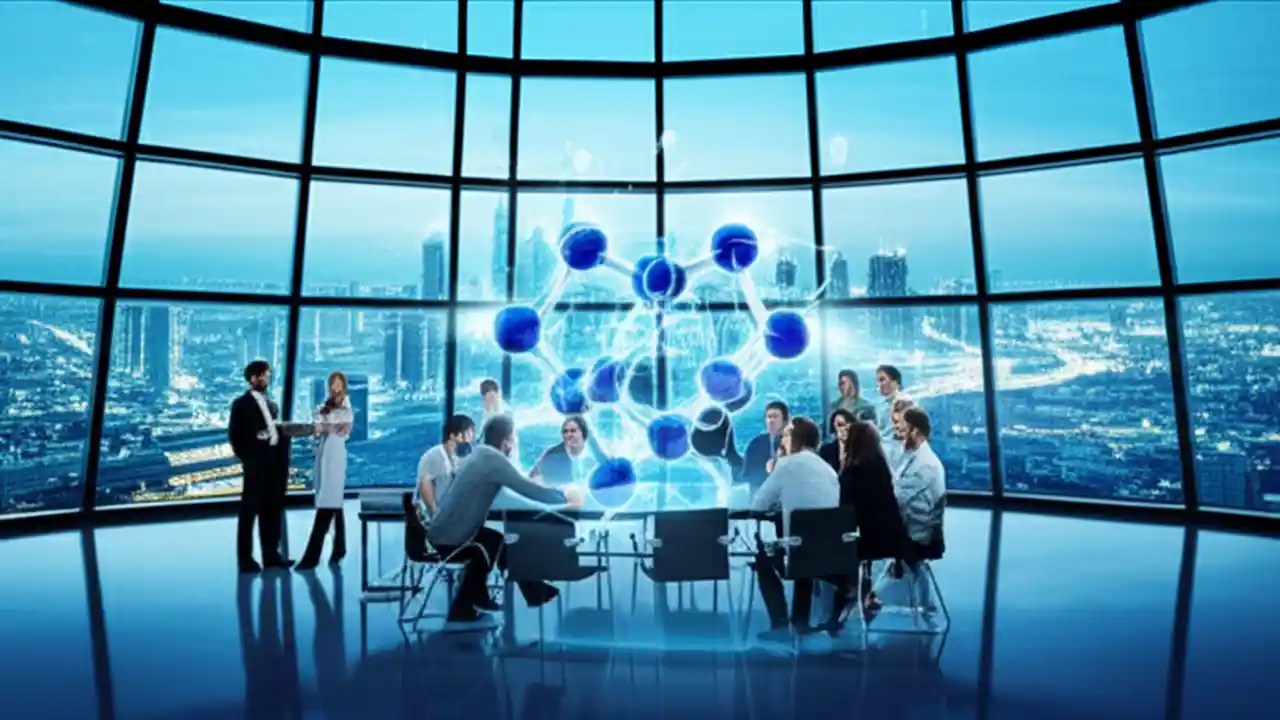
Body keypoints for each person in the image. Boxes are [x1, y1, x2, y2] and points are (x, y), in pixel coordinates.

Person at [428, 415, 584, 625]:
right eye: (514, 438)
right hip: (451, 537)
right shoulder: (493, 460)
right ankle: (464, 609)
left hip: (442, 529)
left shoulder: (480, 454)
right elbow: (526, 489)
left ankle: (524, 591)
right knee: (491, 545)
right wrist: (563, 496)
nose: (516, 443)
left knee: (496, 541)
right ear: (506, 441)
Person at [750, 417, 847, 634]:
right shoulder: (829, 471)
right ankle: (800, 622)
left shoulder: (786, 465)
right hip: (831, 557)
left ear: (795, 438)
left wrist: (778, 468)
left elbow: (758, 505)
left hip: (798, 555)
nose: (781, 441)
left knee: (763, 559)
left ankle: (780, 624)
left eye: (785, 436)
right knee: (802, 546)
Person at [838, 421, 911, 613]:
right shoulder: (882, 469)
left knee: (835, 547)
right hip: (895, 540)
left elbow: (845, 510)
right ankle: (865, 597)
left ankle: (844, 606)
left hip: (871, 543)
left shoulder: (853, 472)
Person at [228, 360, 293, 573]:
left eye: (268, 374)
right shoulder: (241, 404)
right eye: (264, 375)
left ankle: (271, 554)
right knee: (249, 511)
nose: (267, 379)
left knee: (271, 509)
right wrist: (249, 458)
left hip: (274, 463)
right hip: (255, 464)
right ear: (253, 378)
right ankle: (245, 559)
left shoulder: (271, 404)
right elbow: (235, 437)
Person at [297, 372, 353, 570]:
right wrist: (325, 425)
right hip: (324, 452)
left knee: (328, 502)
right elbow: (321, 427)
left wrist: (326, 424)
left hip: (336, 455)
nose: (336, 387)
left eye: (339, 383)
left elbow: (341, 429)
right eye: (333, 384)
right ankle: (339, 548)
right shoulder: (326, 405)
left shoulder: (346, 405)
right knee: (333, 502)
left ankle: (311, 557)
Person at [896, 408, 946, 554]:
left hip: (917, 537)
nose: (901, 436)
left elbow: (897, 498)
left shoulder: (925, 465)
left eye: (904, 431)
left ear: (916, 432)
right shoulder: (912, 456)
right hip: (910, 529)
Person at [415, 414, 476, 520]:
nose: (472, 437)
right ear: (453, 436)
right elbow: (425, 484)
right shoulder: (433, 456)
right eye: (469, 432)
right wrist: (435, 515)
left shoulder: (462, 457)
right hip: (430, 517)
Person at [531, 416, 596, 486]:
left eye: (573, 431)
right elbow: (534, 478)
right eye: (565, 431)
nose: (569, 434)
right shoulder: (552, 455)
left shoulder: (592, 454)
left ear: (583, 433)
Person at [741, 400, 789, 490]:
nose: (771, 420)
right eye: (768, 417)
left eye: (775, 416)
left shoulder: (794, 442)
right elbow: (749, 475)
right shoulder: (756, 444)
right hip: (761, 490)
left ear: (785, 421)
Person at [818, 408, 856, 474]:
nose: (845, 428)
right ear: (833, 428)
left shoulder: (862, 449)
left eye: (848, 424)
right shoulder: (826, 451)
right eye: (840, 425)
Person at [874, 365, 905, 442]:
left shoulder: (903, 401)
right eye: (877, 381)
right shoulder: (883, 404)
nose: (879, 385)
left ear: (895, 381)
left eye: (882, 380)